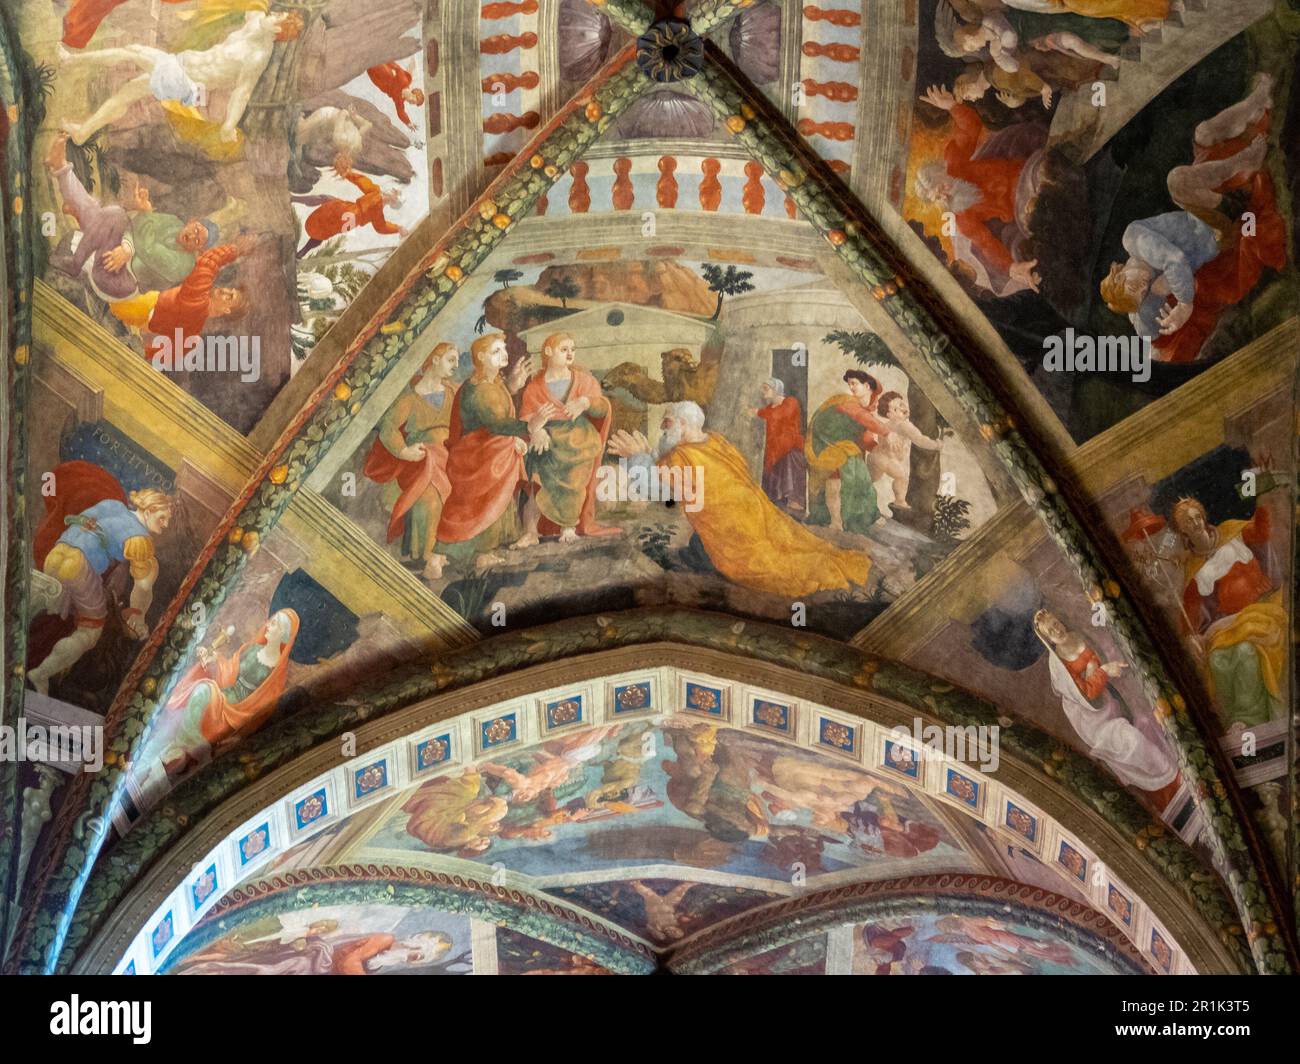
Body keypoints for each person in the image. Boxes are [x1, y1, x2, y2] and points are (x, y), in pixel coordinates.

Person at [1099, 75, 1284, 362]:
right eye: (1141, 293)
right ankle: (1244, 161)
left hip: (1207, 205)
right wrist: (1153, 322)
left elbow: (1172, 258)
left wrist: (1183, 303)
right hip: (1219, 229)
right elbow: (1145, 328)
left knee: (1203, 133)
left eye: (1133, 284)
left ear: (1120, 271)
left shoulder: (1133, 239)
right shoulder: (1153, 284)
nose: (1143, 287)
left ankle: (1256, 101)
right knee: (1177, 181)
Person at [607, 401, 874, 597]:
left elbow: (659, 490)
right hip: (755, 509)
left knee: (762, 564)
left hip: (732, 525)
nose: (662, 428)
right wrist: (649, 456)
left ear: (683, 425)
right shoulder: (714, 440)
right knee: (788, 543)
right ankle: (700, 553)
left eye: (667, 423)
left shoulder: (682, 456)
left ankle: (706, 558)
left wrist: (636, 457)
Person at [27, 462, 177, 694]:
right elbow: (143, 585)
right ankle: (41, 674)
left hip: (57, 554)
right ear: (148, 511)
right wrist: (139, 614)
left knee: (51, 606)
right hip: (78, 568)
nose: (165, 525)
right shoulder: (140, 539)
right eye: (162, 517)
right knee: (91, 631)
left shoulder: (112, 505)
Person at [60, 10, 305, 146]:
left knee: (133, 51)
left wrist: (229, 124)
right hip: (181, 65)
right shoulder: (255, 23)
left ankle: (69, 61)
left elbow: (243, 92)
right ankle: (83, 132)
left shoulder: (258, 56)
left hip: (185, 79)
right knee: (127, 93)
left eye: (279, 17)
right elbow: (250, 8)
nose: (274, 14)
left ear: (278, 30)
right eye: (278, 13)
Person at [433, 333, 555, 573]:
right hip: (476, 457)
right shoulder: (479, 390)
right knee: (481, 505)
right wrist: (530, 428)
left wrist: (511, 385)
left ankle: (471, 554)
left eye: (504, 350)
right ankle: (461, 556)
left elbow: (498, 407)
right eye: (496, 351)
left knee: (496, 498)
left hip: (492, 450)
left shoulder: (492, 383)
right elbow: (496, 423)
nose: (505, 355)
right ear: (481, 357)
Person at [1032, 609, 1180, 805]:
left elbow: (1102, 656)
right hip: (1094, 720)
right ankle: (1168, 777)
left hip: (1112, 699)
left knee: (1147, 717)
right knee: (1131, 739)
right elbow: (1089, 694)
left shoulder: (1078, 635)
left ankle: (1175, 765)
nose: (1057, 630)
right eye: (1051, 631)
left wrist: (1100, 669)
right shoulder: (1059, 668)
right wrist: (1101, 670)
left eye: (1056, 623)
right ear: (1048, 639)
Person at [138, 609, 299, 778]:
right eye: (271, 620)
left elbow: (261, 708)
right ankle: (181, 745)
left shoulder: (276, 674)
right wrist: (216, 658)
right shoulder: (252, 649)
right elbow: (230, 673)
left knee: (202, 690)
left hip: (237, 712)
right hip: (224, 695)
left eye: (274, 624)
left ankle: (183, 744)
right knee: (199, 692)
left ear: (284, 634)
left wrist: (241, 730)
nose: (268, 625)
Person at [916, 85, 1044, 296]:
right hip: (1021, 208)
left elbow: (970, 128)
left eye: (940, 186)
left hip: (1022, 172)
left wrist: (953, 107)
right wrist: (1012, 268)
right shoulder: (962, 217)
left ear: (942, 172)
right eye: (937, 196)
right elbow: (985, 244)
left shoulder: (954, 161)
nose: (943, 193)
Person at [1172, 496, 1285, 729]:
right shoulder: (1194, 571)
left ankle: (1251, 719)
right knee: (1217, 659)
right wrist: (1190, 638)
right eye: (1188, 521)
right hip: (1228, 626)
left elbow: (1262, 530)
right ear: (1183, 532)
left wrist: (1265, 493)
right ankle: (1235, 721)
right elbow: (1190, 619)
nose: (1195, 523)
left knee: (1245, 651)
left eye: (1197, 516)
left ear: (1203, 517)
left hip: (1262, 612)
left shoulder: (1233, 533)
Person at [362, 343, 460, 579]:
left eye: (457, 361)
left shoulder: (454, 392)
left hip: (450, 457)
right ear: (434, 360)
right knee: (429, 499)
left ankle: (450, 552)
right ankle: (426, 554)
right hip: (421, 460)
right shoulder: (410, 399)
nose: (456, 366)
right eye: (450, 360)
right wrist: (404, 451)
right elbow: (388, 428)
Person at [513, 332, 621, 547]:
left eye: (573, 349)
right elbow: (526, 417)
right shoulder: (535, 386)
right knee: (535, 484)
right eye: (564, 349)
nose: (570, 353)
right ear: (548, 351)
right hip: (548, 443)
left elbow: (601, 407)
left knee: (573, 486)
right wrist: (536, 430)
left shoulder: (584, 380)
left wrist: (585, 402)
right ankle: (531, 531)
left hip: (578, 442)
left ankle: (568, 527)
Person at [108, 235, 256, 360]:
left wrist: (235, 250)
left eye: (229, 296)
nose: (224, 290)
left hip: (128, 308)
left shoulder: (198, 302)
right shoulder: (193, 336)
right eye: (229, 289)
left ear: (226, 310)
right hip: (132, 316)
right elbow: (157, 354)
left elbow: (207, 263)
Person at [805, 370, 888, 533]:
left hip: (841, 450)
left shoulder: (865, 410)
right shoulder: (847, 401)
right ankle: (836, 522)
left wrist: (878, 448)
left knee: (852, 477)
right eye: (849, 383)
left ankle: (845, 521)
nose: (851, 387)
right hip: (823, 445)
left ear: (867, 386)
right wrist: (887, 432)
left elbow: (864, 438)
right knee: (834, 482)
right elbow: (859, 416)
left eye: (854, 383)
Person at [296, 164, 405, 256]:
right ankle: (302, 252)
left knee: (326, 206)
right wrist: (346, 172)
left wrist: (398, 228)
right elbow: (361, 180)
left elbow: (382, 227)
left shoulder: (377, 205)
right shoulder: (376, 194)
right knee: (326, 204)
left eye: (395, 192)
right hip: (349, 217)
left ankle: (302, 252)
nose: (392, 189)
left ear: (394, 201)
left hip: (348, 214)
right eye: (394, 189)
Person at [867, 391, 943, 512]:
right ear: (889, 415)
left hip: (876, 457)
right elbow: (920, 440)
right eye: (897, 409)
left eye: (902, 404)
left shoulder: (886, 425)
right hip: (889, 461)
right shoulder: (904, 425)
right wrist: (936, 445)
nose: (903, 409)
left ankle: (859, 492)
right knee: (902, 478)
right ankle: (900, 501)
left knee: (870, 479)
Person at [749, 378, 806, 515]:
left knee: (789, 473)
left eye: (766, 388)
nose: (762, 392)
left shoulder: (790, 402)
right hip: (775, 451)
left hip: (791, 449)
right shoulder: (768, 408)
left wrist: (757, 412)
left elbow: (778, 415)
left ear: (776, 389)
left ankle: (794, 505)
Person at [367, 62, 426, 132]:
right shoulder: (405, 81)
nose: (410, 103)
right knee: (381, 69)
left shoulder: (400, 100)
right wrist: (385, 61)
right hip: (384, 71)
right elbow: (397, 68)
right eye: (413, 101)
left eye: (412, 103)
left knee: (368, 67)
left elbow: (401, 112)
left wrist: (408, 123)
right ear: (414, 93)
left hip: (379, 81)